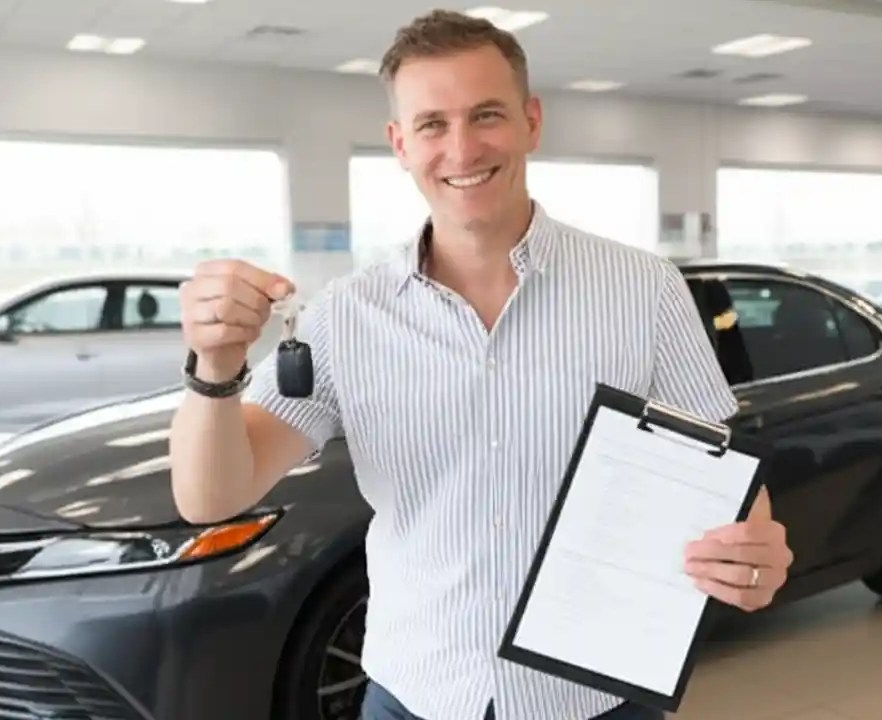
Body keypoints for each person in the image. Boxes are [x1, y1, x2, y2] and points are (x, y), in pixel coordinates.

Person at [169, 9, 794, 720]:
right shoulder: (346, 316)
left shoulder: (644, 289)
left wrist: (751, 556)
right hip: (418, 695)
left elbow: (723, 495)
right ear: (400, 144)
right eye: (432, 124)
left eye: (486, 115)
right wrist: (214, 366)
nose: (462, 149)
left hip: (598, 700)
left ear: (532, 121)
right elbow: (210, 497)